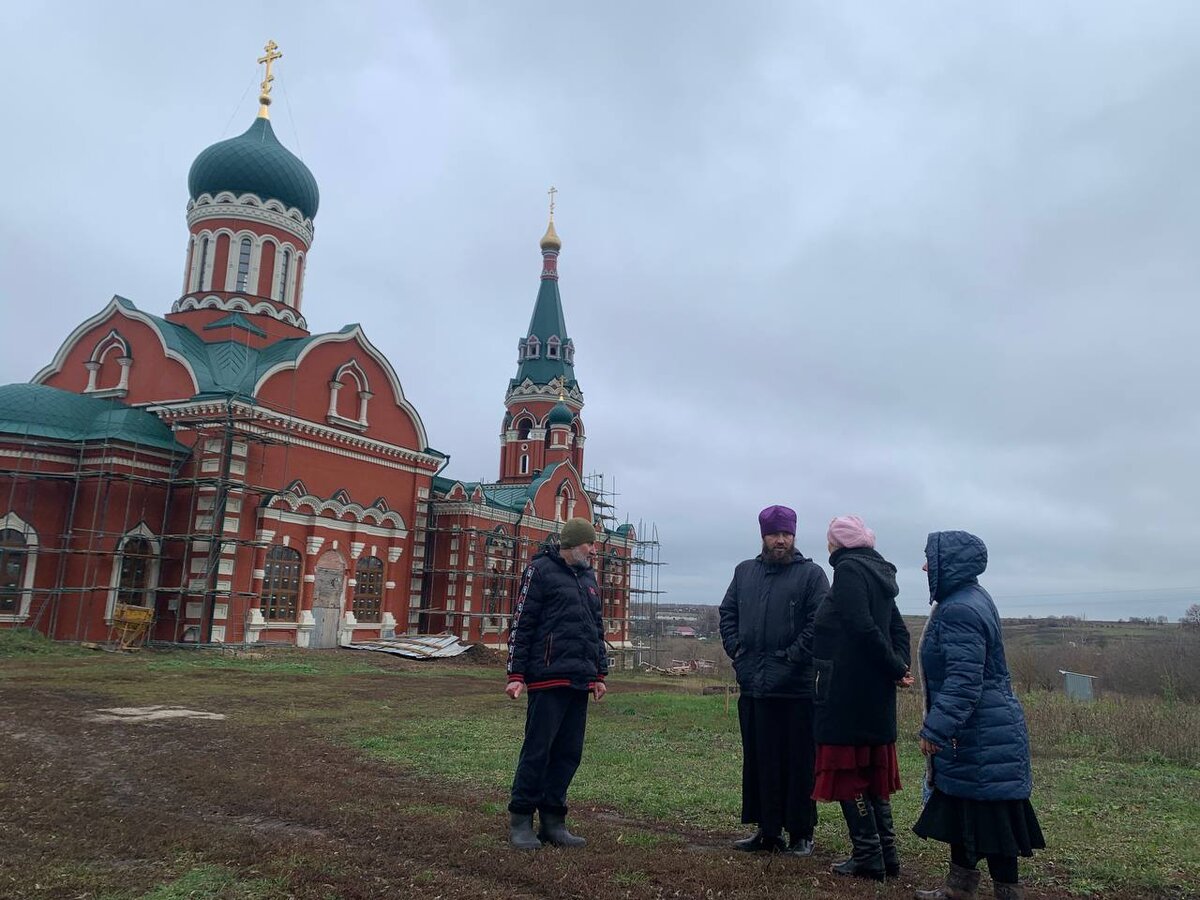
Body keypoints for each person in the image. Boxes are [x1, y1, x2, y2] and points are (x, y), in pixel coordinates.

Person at [913, 531, 1045, 900]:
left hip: (982, 729)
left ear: (947, 564)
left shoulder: (959, 609)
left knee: (993, 814)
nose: (924, 566)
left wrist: (935, 728)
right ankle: (959, 888)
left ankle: (1007, 892)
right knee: (964, 807)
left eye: (929, 559)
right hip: (981, 726)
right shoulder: (968, 598)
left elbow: (963, 681)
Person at [719, 504, 829, 856]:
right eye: (774, 534)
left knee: (798, 763)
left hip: (795, 688)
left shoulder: (811, 575)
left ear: (794, 536)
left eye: (786, 534)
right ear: (763, 536)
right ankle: (767, 831)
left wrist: (794, 655)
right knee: (759, 760)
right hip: (754, 685)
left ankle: (800, 832)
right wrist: (737, 650)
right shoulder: (744, 572)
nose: (780, 540)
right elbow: (728, 612)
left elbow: (819, 622)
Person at [811, 515, 912, 881]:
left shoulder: (850, 570)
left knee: (849, 774)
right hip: (873, 696)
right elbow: (898, 628)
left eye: (828, 540)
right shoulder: (879, 571)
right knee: (870, 775)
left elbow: (862, 626)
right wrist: (899, 665)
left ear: (837, 544)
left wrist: (894, 667)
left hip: (847, 694)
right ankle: (887, 855)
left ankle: (869, 856)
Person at [505, 517, 608, 850]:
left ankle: (554, 821)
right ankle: (521, 820)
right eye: (589, 545)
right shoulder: (540, 571)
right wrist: (516, 674)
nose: (594, 550)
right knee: (538, 751)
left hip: (579, 679)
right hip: (548, 677)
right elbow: (522, 623)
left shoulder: (589, 578)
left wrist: (598, 674)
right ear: (572, 545)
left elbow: (596, 628)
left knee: (568, 754)